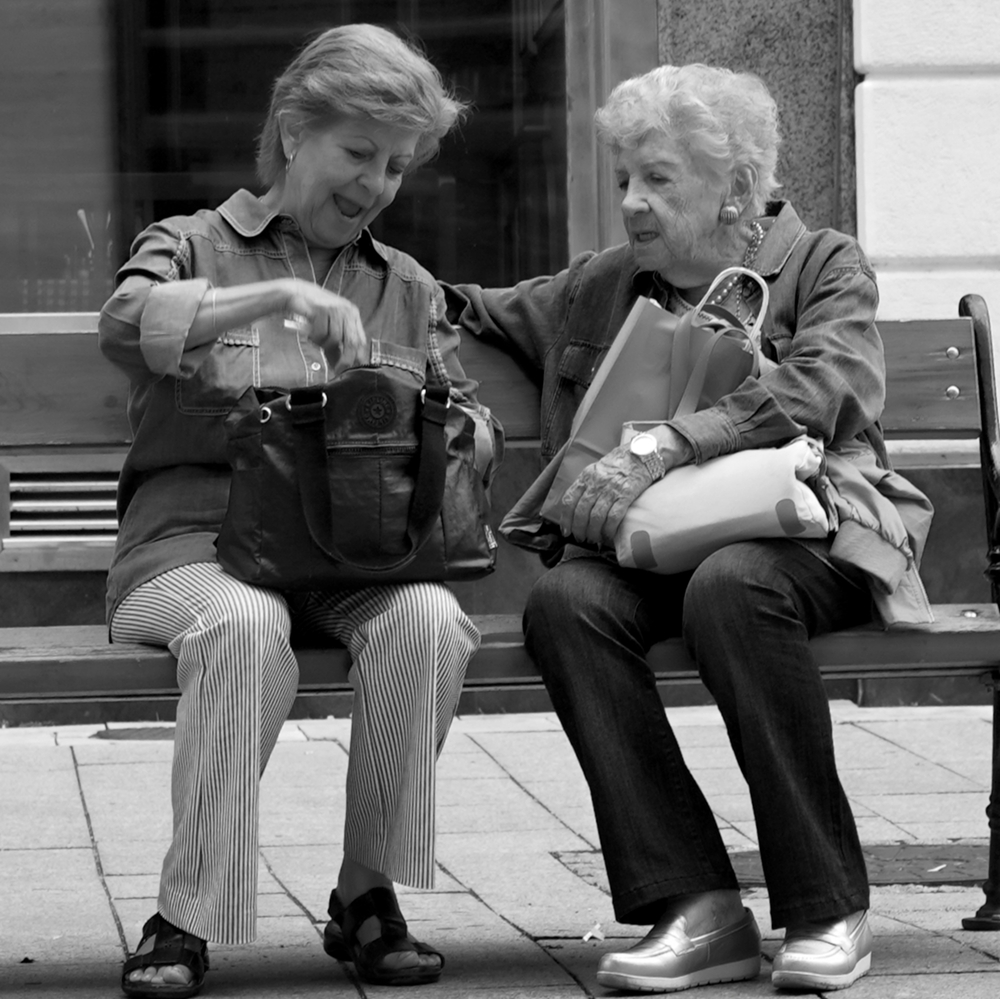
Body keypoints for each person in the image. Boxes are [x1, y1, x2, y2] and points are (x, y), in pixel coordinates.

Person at [446, 63, 933, 994]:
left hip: (809, 537)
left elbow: (827, 387)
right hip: (654, 549)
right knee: (566, 601)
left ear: (737, 187)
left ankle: (827, 907)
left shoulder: (823, 265)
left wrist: (672, 441)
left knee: (734, 586)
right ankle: (697, 907)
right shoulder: (601, 286)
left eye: (657, 179)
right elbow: (458, 305)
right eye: (624, 178)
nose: (631, 200)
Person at [99, 24, 496, 997]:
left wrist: (444, 432)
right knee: (243, 625)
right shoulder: (191, 243)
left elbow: (468, 426)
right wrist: (268, 298)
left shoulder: (405, 287)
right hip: (191, 547)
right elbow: (125, 324)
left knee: (430, 620)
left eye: (396, 166)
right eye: (359, 152)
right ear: (291, 132)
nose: (376, 184)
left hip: (349, 558)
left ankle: (365, 895)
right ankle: (185, 917)